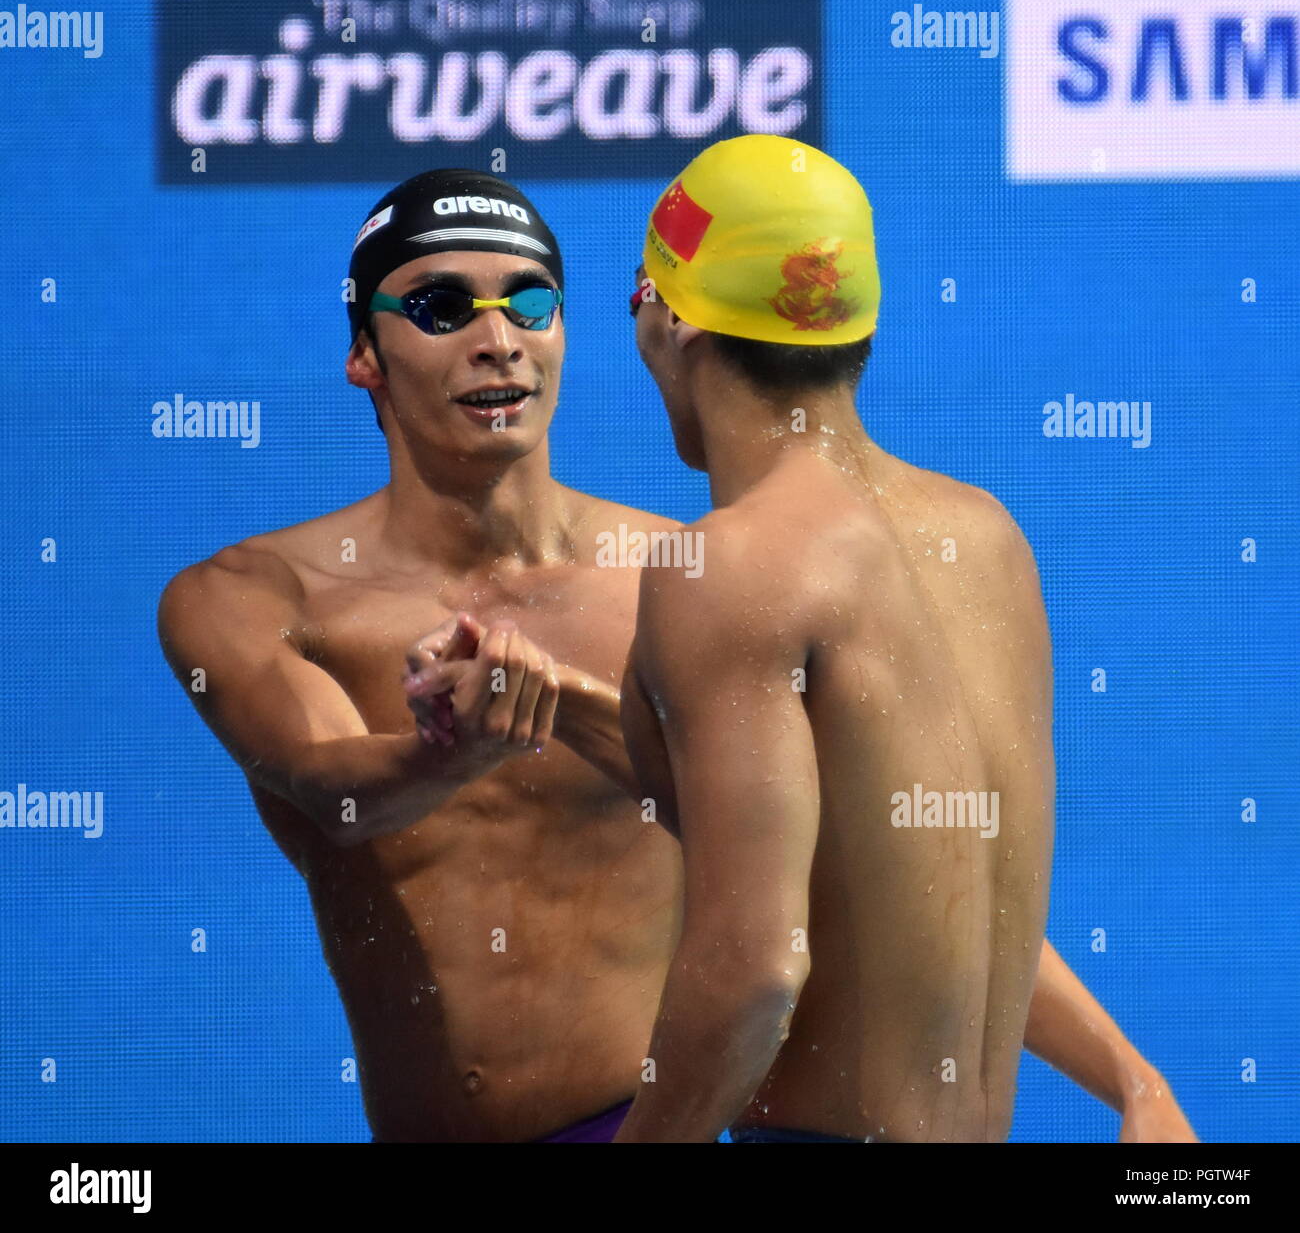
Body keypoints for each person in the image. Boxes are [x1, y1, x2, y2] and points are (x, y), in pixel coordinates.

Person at [158, 166, 1193, 1143]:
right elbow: (330, 794)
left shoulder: (685, 580)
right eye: (441, 307)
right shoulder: (257, 597)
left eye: (529, 303)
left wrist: (1126, 1076)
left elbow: (891, 870)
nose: (497, 339)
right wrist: (454, 749)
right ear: (364, 356)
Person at [614, 135, 1193, 1143]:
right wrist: (1134, 1079)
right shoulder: (986, 539)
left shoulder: (724, 567)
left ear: (667, 320)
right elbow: (936, 897)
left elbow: (752, 970)